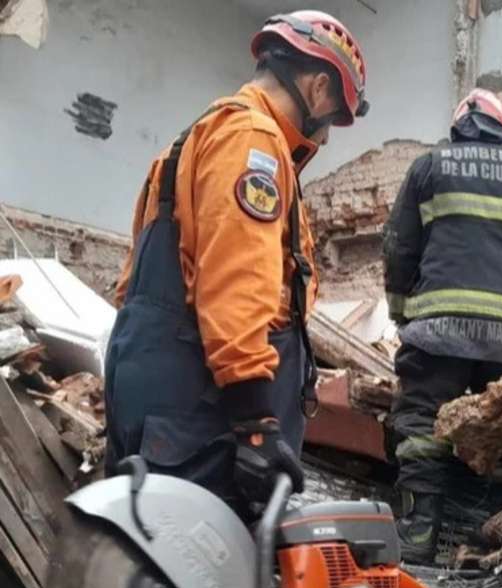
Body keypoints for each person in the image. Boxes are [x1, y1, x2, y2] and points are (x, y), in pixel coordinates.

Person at [105, 10, 368, 519]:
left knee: (144, 546)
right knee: (201, 556)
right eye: (335, 116)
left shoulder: (191, 142)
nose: (327, 137)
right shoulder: (254, 142)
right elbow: (238, 281)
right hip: (205, 414)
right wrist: (254, 419)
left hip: (157, 398)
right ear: (318, 89)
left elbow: (130, 285)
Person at [382, 88, 502, 563]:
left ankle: (418, 532)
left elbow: (399, 246)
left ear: (459, 128)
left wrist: (402, 311)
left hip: (438, 332)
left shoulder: (429, 167)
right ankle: (494, 536)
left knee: (421, 420)